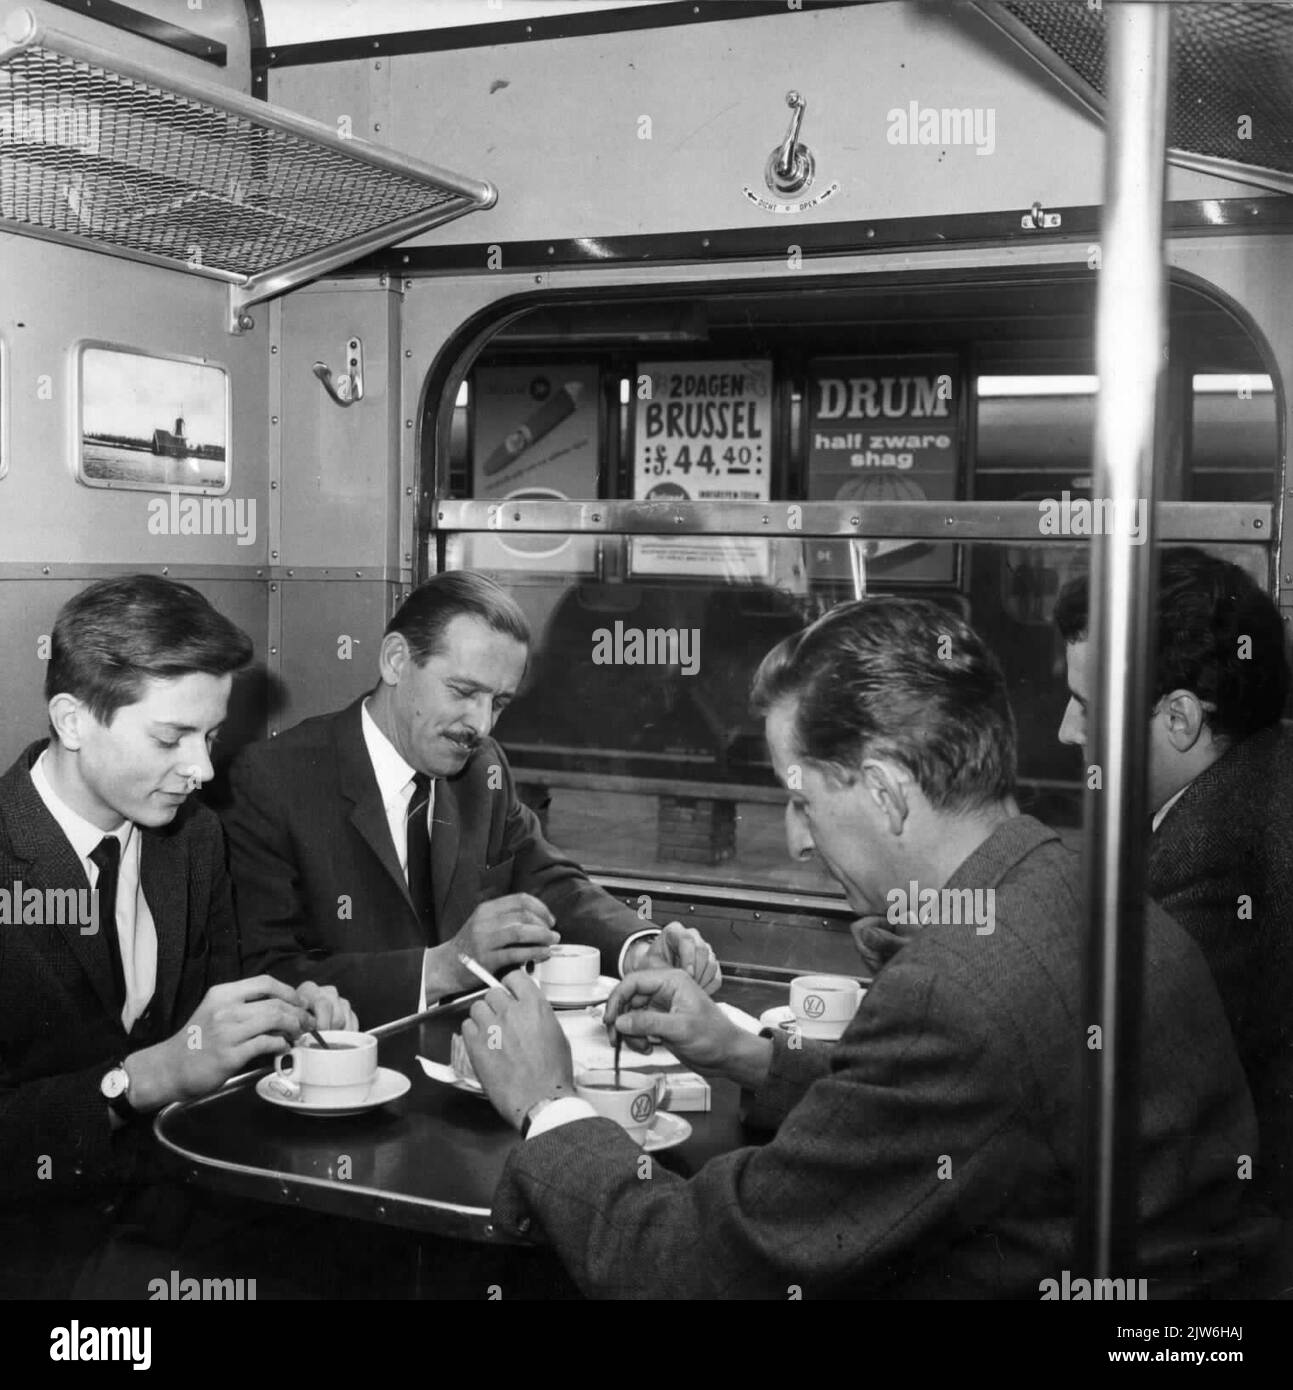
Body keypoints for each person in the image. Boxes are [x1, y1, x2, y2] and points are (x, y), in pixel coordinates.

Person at [461, 596, 1272, 1299]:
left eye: (800, 801)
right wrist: (742, 1052)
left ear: (884, 792)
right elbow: (952, 1119)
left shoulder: (952, 993)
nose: (797, 842)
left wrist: (548, 1102)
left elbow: (696, 1269)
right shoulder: (1079, 891)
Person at [0, 575, 356, 1298]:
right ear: (72, 721)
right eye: (171, 738)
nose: (200, 770)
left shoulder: (192, 840)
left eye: (211, 737)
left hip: (171, 1211)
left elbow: (208, 1014)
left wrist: (278, 1016)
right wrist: (137, 1080)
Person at [225, 571, 719, 1026]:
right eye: (463, 691)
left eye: (498, 703)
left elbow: (548, 882)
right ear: (396, 660)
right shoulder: (274, 782)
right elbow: (268, 974)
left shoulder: (482, 769)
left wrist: (638, 948)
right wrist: (441, 968)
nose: (480, 725)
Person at [1055, 547, 1293, 1214]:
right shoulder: (1259, 776)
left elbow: (1081, 1099)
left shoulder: (1211, 866)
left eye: (1084, 704)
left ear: (1179, 719)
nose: (1067, 731)